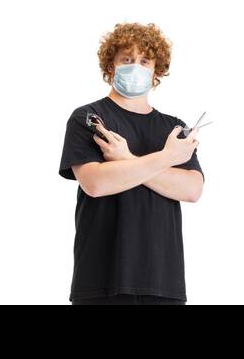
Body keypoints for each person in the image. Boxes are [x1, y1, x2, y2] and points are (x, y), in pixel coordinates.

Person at [58, 22, 204, 305]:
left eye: (144, 61)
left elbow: (191, 189)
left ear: (157, 71)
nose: (135, 66)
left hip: (163, 282)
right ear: (110, 66)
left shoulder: (174, 128)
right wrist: (168, 158)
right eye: (127, 59)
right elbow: (96, 183)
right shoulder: (89, 118)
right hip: (102, 280)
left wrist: (125, 159)